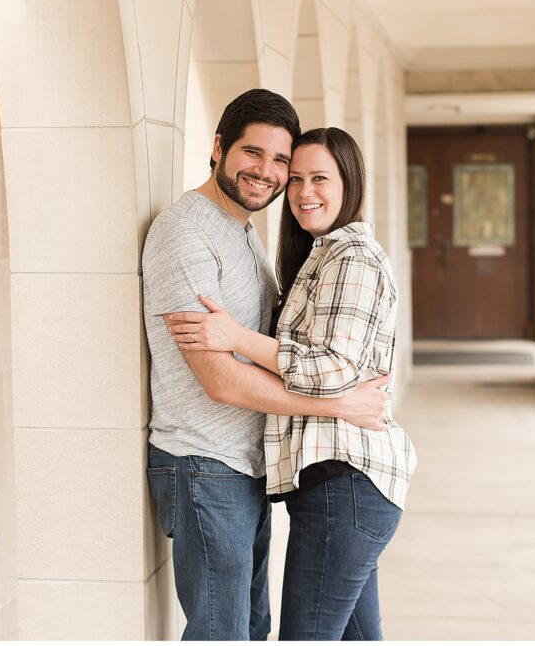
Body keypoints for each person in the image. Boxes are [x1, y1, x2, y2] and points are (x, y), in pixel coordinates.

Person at [142, 92, 391, 641]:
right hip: (203, 462)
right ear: (218, 148)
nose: (269, 173)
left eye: (283, 161)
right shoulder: (184, 233)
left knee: (249, 629)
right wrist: (341, 401)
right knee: (223, 633)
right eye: (254, 153)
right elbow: (219, 378)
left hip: (244, 467)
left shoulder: (245, 233)